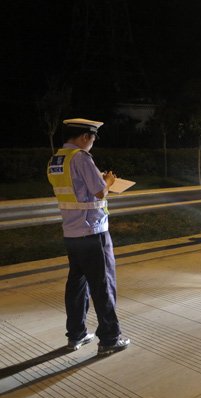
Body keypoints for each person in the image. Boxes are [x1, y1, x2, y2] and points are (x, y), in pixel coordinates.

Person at [47, 118, 130, 356]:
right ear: (85, 137)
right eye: (92, 139)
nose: (92, 143)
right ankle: (110, 339)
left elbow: (75, 189)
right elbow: (100, 191)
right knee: (103, 285)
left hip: (71, 232)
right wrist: (108, 181)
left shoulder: (57, 160)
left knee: (77, 285)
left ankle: (76, 335)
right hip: (93, 232)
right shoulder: (82, 158)